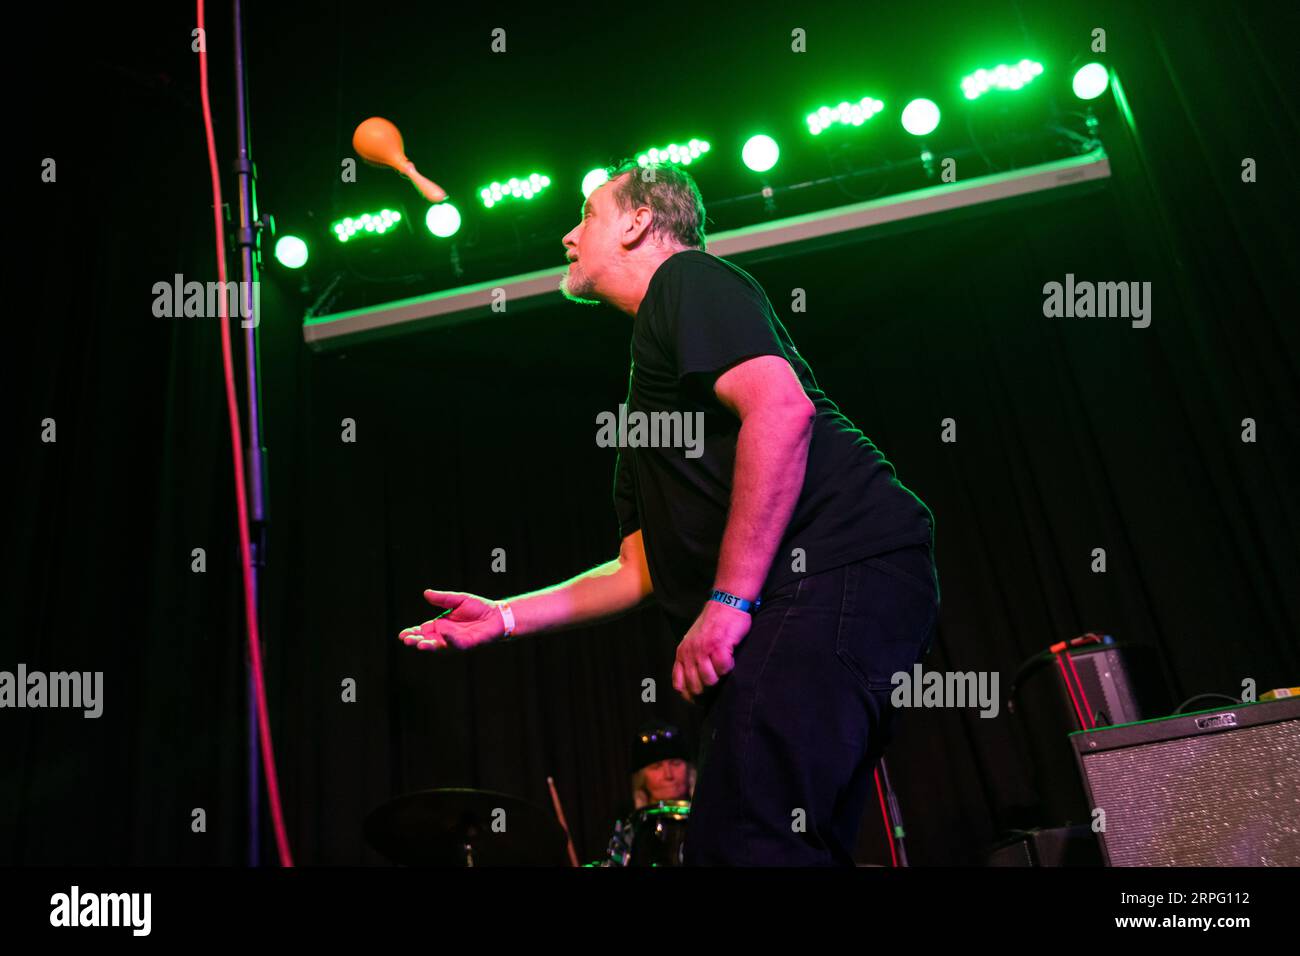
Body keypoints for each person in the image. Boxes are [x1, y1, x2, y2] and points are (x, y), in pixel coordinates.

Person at [398, 159, 939, 865]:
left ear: (637, 222)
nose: (567, 235)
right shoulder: (646, 409)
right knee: (787, 842)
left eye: (586, 215)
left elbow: (782, 411)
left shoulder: (688, 279)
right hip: (823, 594)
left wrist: (727, 601)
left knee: (745, 843)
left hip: (835, 571)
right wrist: (503, 616)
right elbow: (635, 570)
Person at [597, 721, 696, 866]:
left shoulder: (712, 815)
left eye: (675, 763)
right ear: (641, 779)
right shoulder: (625, 825)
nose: (668, 775)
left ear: (690, 772)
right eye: (656, 767)